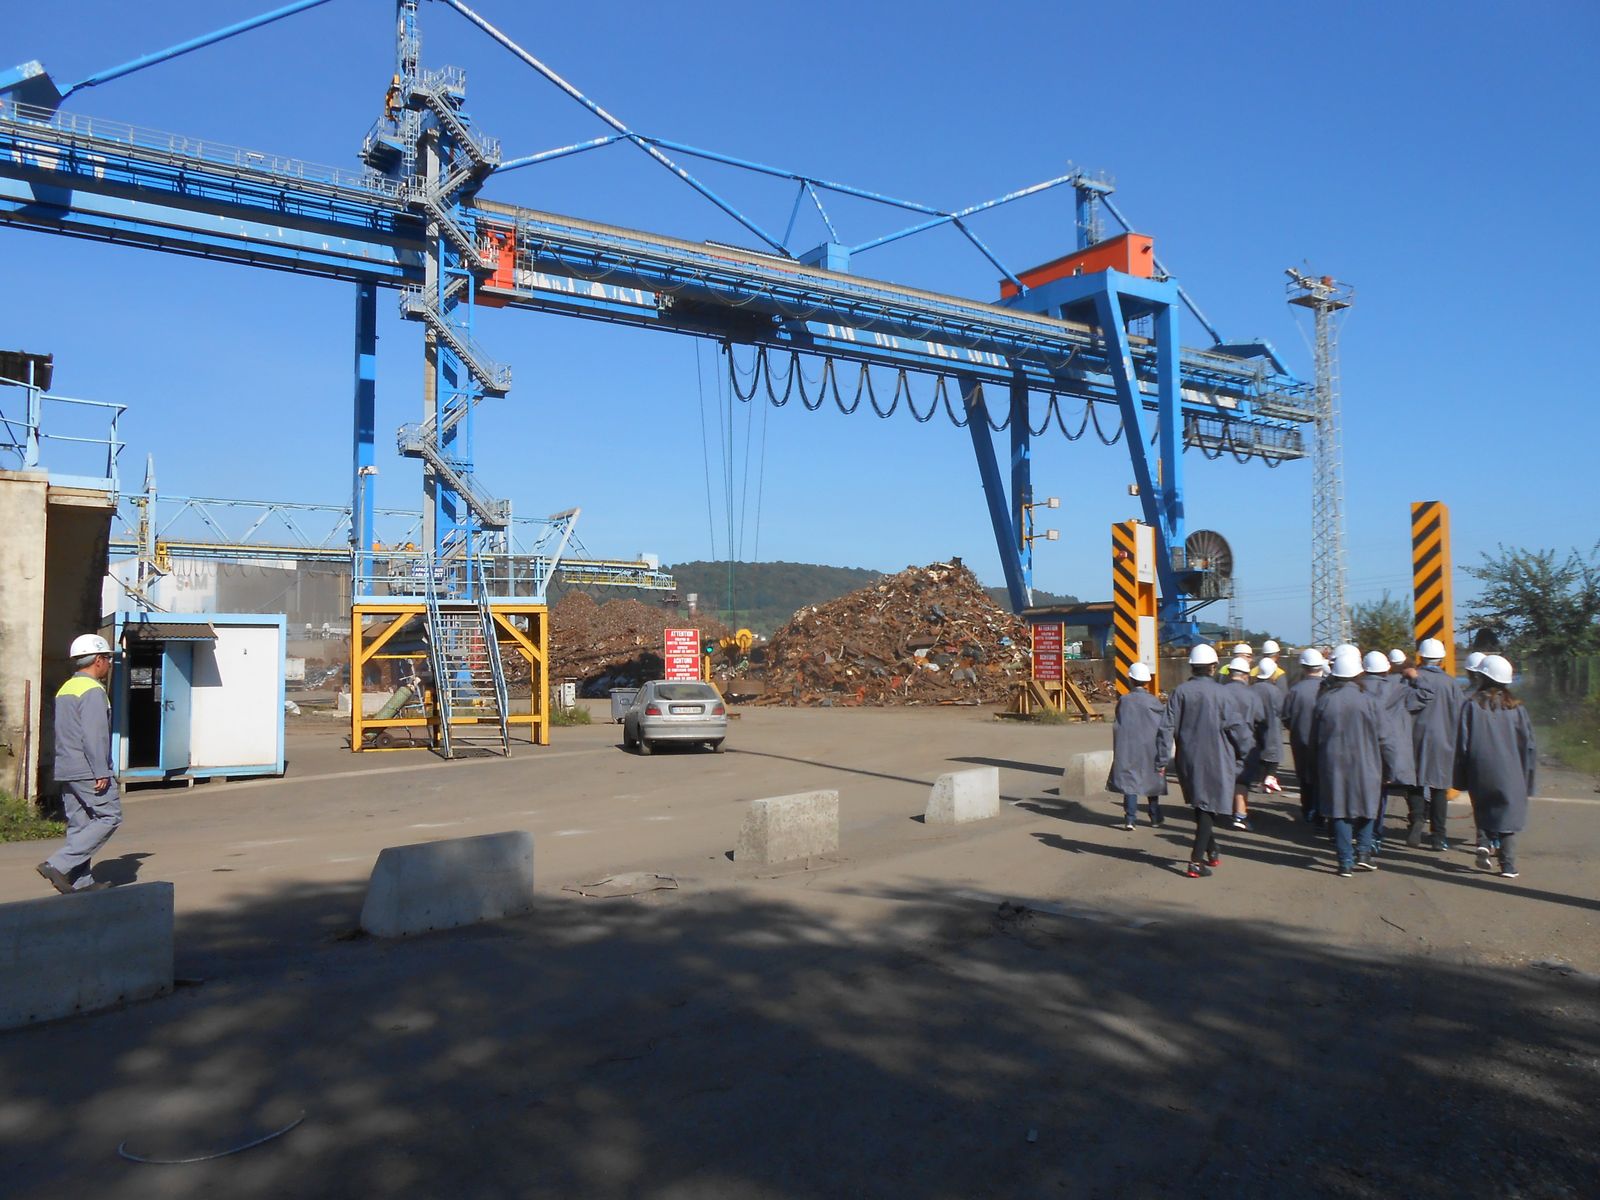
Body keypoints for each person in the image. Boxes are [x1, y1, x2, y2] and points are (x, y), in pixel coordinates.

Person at [36, 634, 121, 895]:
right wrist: (101, 771)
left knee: (80, 824)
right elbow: (94, 735)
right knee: (110, 816)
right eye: (107, 658)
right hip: (88, 769)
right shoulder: (93, 691)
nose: (109, 664)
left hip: (67, 767)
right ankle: (58, 864)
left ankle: (80, 882)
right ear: (98, 659)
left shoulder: (67, 688)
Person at [1162, 644, 1252, 878]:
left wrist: (1161, 759)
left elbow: (1165, 728)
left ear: (1192, 666)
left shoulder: (1179, 692)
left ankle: (1213, 851)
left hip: (1187, 759)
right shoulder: (1223, 694)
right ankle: (1195, 861)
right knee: (1207, 807)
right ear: (1214, 667)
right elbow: (1237, 727)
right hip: (1217, 758)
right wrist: (1245, 752)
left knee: (1201, 804)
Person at [1310, 646, 1398, 876]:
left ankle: (1344, 861)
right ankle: (1364, 853)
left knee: (1339, 811)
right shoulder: (1370, 701)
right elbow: (1386, 739)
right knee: (1368, 807)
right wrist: (1391, 767)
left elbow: (1314, 739)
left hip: (1333, 765)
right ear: (1359, 674)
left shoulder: (1324, 701)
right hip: (1367, 763)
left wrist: (1313, 768)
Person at [1454, 654, 1536, 879]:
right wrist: (1528, 778)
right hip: (1511, 770)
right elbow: (1528, 745)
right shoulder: (1517, 708)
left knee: (1483, 806)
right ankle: (1508, 865)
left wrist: (1460, 775)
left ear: (1482, 677)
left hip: (1479, 768)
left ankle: (1484, 840)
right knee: (1508, 817)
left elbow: (1462, 742)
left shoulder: (1471, 705)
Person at [1361, 650, 1424, 853]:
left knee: (1371, 794)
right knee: (1397, 788)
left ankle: (1368, 835)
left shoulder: (1358, 689)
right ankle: (1415, 819)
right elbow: (1425, 696)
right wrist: (1415, 678)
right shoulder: (1399, 688)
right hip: (1392, 745)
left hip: (1365, 746)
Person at [1404, 637, 1462, 850]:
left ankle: (1417, 818)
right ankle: (1439, 836)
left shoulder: (1412, 679)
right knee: (1439, 788)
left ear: (1421, 656)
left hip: (1415, 738)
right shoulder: (1451, 683)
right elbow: (1460, 714)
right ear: (1441, 659)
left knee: (1415, 782)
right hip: (1444, 740)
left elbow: (1406, 706)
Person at [1106, 661, 1168, 830]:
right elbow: (1163, 727)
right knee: (1152, 781)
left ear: (1130, 680)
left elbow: (1118, 724)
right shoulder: (1154, 702)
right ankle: (1155, 817)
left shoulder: (1125, 701)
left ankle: (1130, 819)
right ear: (1147, 681)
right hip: (1150, 748)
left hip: (1129, 747)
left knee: (1129, 782)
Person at [1283, 648, 1327, 824]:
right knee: (1323, 777)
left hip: (1301, 740)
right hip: (1324, 741)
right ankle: (1321, 812)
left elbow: (1286, 717)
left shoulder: (1295, 690)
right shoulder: (1329, 687)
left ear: (1303, 667)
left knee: (1305, 777)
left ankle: (1308, 809)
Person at [1222, 655, 1259, 829]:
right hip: (1246, 740)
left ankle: (1221, 810)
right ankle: (1240, 815)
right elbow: (1261, 717)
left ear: (1230, 673)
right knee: (1242, 779)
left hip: (1222, 740)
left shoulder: (1220, 692)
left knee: (1224, 775)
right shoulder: (1252, 695)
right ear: (1246, 675)